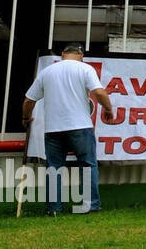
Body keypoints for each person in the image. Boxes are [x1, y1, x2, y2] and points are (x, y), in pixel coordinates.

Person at [21, 44, 116, 216]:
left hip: (53, 129)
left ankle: (54, 209)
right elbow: (100, 93)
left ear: (63, 54)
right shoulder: (85, 69)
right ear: (81, 55)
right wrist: (108, 109)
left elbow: (28, 101)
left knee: (54, 168)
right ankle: (90, 205)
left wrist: (26, 118)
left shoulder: (47, 72)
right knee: (87, 165)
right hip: (80, 126)